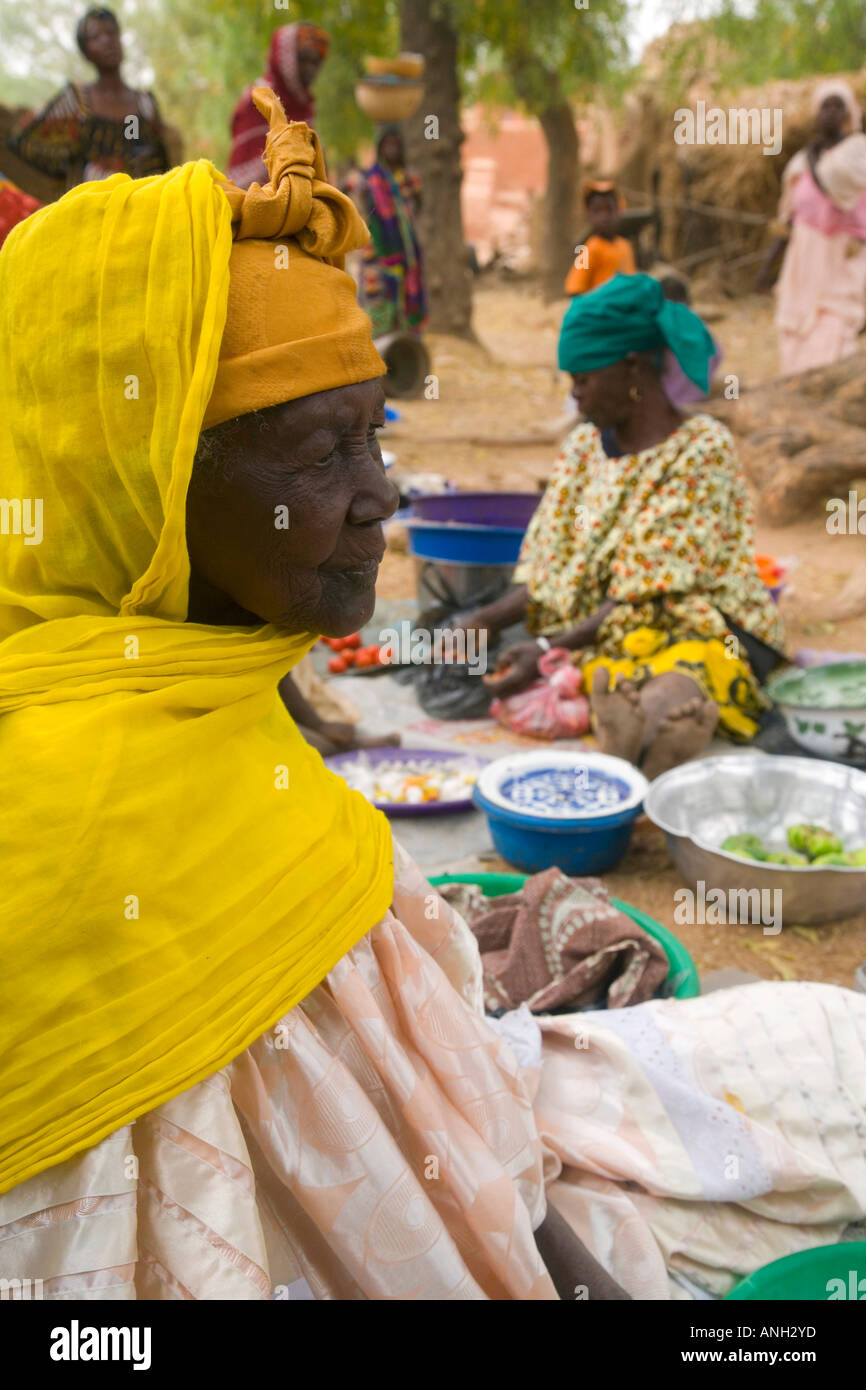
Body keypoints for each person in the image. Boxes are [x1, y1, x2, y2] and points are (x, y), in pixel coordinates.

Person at [1, 99, 864, 1302]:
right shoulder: (65, 818)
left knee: (828, 1043)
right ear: (141, 487)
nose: (380, 496)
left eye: (374, 433)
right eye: (317, 451)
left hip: (664, 681)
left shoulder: (198, 687)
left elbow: (433, 1129)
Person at [456, 274, 785, 780]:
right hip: (608, 637)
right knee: (609, 672)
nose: (576, 397)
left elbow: (644, 590)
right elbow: (550, 568)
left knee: (687, 670)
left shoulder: (701, 449)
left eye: (583, 379)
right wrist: (481, 622)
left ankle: (643, 733)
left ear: (633, 368)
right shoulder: (583, 448)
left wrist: (549, 648)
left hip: (703, 624)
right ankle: (641, 736)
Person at [756, 78, 866, 375]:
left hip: (843, 260)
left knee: (833, 331)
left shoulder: (858, 152)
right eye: (824, 107)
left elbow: (837, 189)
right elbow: (789, 220)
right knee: (796, 335)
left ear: (847, 115)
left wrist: (817, 159)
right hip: (803, 263)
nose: (830, 113)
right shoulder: (800, 162)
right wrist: (767, 268)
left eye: (837, 106)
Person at [7, 7, 169, 188]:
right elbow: (25, 141)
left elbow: (158, 159)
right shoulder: (75, 101)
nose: (107, 41)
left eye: (111, 32)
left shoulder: (144, 104)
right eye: (96, 37)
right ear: (85, 51)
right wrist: (73, 162)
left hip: (142, 202)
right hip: (91, 204)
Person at [344, 125, 428, 337]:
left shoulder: (409, 178)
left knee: (406, 304)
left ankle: (406, 355)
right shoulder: (368, 178)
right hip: (377, 253)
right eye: (387, 144)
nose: (391, 149)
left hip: (405, 252)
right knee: (377, 304)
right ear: (380, 148)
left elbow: (419, 205)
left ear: (401, 148)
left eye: (395, 144)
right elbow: (343, 188)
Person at [227, 22, 329, 189]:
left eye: (315, 63)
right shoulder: (258, 100)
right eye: (303, 60)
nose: (310, 70)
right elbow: (242, 181)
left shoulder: (305, 107)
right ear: (285, 58)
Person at [564, 180, 635, 297]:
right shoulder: (587, 250)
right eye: (597, 211)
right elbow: (574, 290)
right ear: (588, 215)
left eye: (609, 210)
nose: (604, 217)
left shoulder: (625, 246)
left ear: (619, 211)